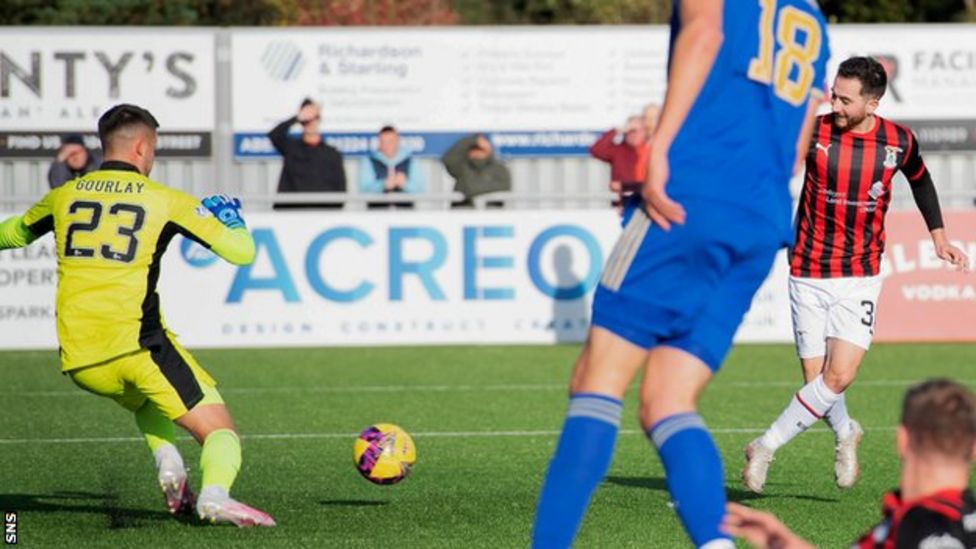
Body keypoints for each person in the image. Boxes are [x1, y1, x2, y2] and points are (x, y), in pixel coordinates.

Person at [531, 2, 829, 548]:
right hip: (761, 221)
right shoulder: (809, 14)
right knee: (667, 401)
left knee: (595, 384)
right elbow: (796, 149)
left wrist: (659, 147)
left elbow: (704, 35)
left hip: (691, 200)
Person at [0, 104, 275, 527]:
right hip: (137, 347)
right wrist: (230, 218)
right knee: (221, 431)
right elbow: (242, 252)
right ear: (143, 147)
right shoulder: (164, 200)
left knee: (149, 403)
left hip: (80, 360)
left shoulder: (65, 195)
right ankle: (216, 495)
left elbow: (13, 233)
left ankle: (169, 462)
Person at [742, 57, 970, 494]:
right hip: (807, 269)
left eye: (845, 100)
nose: (836, 105)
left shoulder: (898, 142)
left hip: (859, 274)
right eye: (834, 95)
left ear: (873, 102)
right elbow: (768, 168)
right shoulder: (814, 130)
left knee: (839, 377)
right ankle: (847, 433)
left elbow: (921, 182)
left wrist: (938, 237)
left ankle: (764, 445)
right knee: (817, 385)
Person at [726, 378, 976, 548]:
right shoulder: (915, 520)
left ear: (902, 440)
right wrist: (784, 541)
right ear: (973, 449)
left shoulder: (922, 526)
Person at [268, 98, 346, 210]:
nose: (311, 122)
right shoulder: (291, 148)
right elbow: (274, 135)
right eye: (307, 120)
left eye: (315, 118)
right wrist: (297, 117)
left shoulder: (332, 154)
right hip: (291, 213)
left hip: (322, 215)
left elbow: (341, 190)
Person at [589, 115, 650, 208]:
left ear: (645, 132)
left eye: (636, 131)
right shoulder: (619, 150)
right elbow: (596, 150)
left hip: (648, 201)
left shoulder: (652, 150)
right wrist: (618, 130)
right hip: (624, 203)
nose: (633, 135)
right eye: (629, 131)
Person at [358, 125, 425, 209]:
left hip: (405, 214)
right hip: (376, 215)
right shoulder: (369, 161)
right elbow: (363, 191)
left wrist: (405, 184)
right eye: (383, 142)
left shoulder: (411, 160)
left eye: (391, 141)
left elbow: (420, 191)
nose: (387, 145)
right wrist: (382, 185)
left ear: (398, 141)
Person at [441, 133, 511, 208]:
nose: (476, 152)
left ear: (488, 150)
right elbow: (449, 159)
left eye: (480, 149)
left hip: (491, 215)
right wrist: (473, 140)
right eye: (473, 149)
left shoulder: (499, 169)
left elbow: (502, 188)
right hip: (463, 214)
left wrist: (467, 189)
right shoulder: (462, 167)